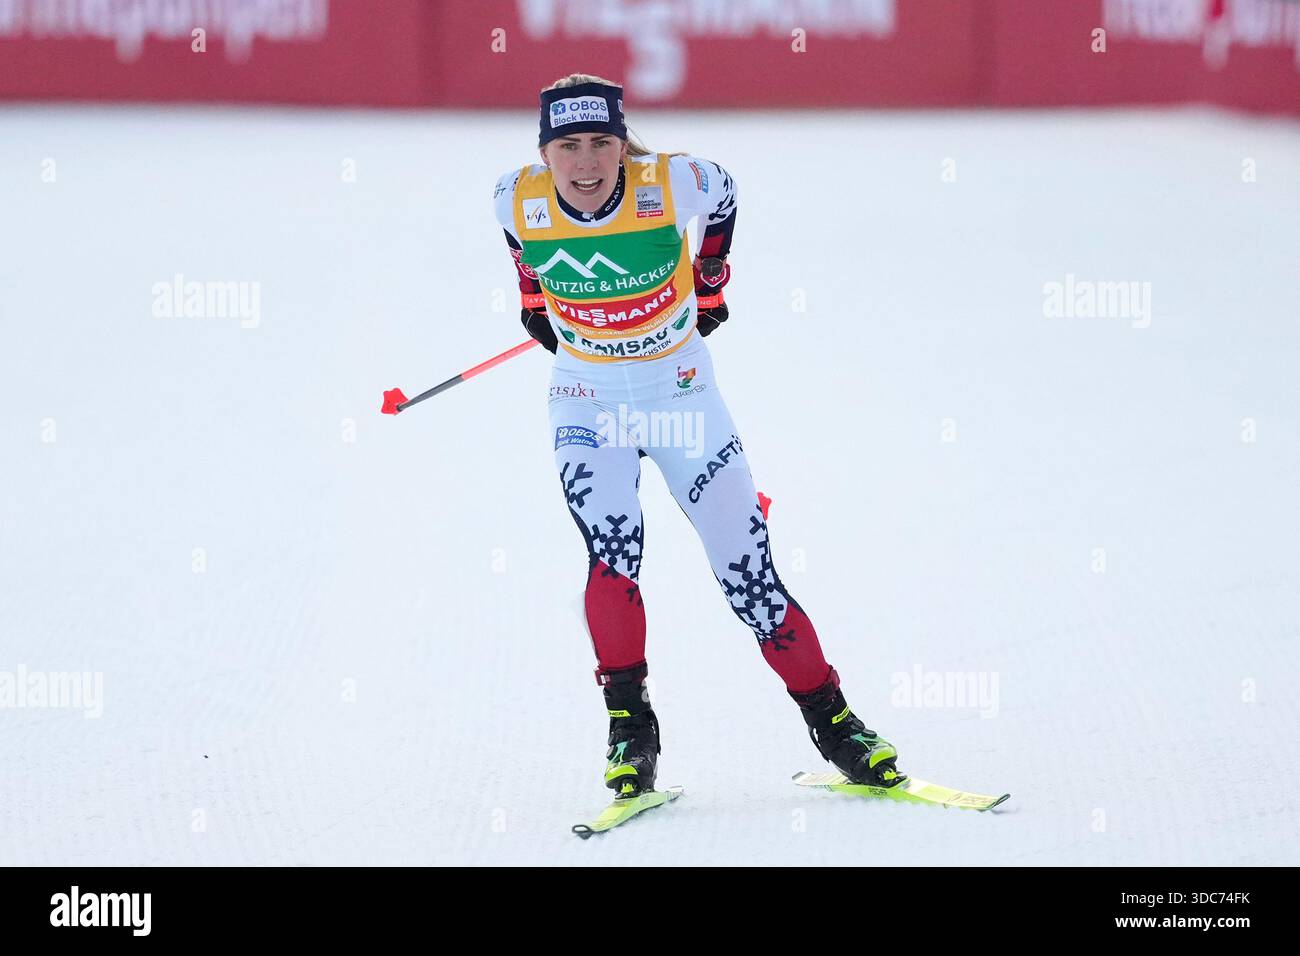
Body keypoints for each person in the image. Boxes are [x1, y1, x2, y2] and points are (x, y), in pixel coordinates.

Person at [493, 74, 902, 798]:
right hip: (586, 405)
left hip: (683, 402)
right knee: (613, 554)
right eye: (567, 147)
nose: (584, 164)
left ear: (622, 146)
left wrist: (709, 279)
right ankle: (630, 728)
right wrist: (532, 299)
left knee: (748, 573)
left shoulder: (675, 182)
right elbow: (523, 249)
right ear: (544, 152)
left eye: (600, 144)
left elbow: (728, 191)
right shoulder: (513, 197)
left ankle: (836, 724)